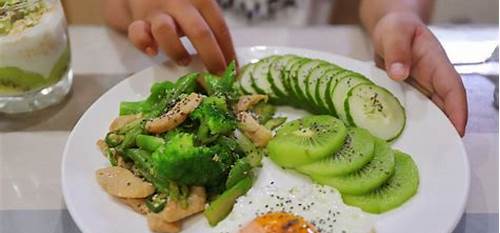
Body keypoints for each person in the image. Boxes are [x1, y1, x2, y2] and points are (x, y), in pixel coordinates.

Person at [103, 0, 467, 136]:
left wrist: (396, 16)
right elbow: (113, 10)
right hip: (177, 62)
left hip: (310, 46)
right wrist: (143, 7)